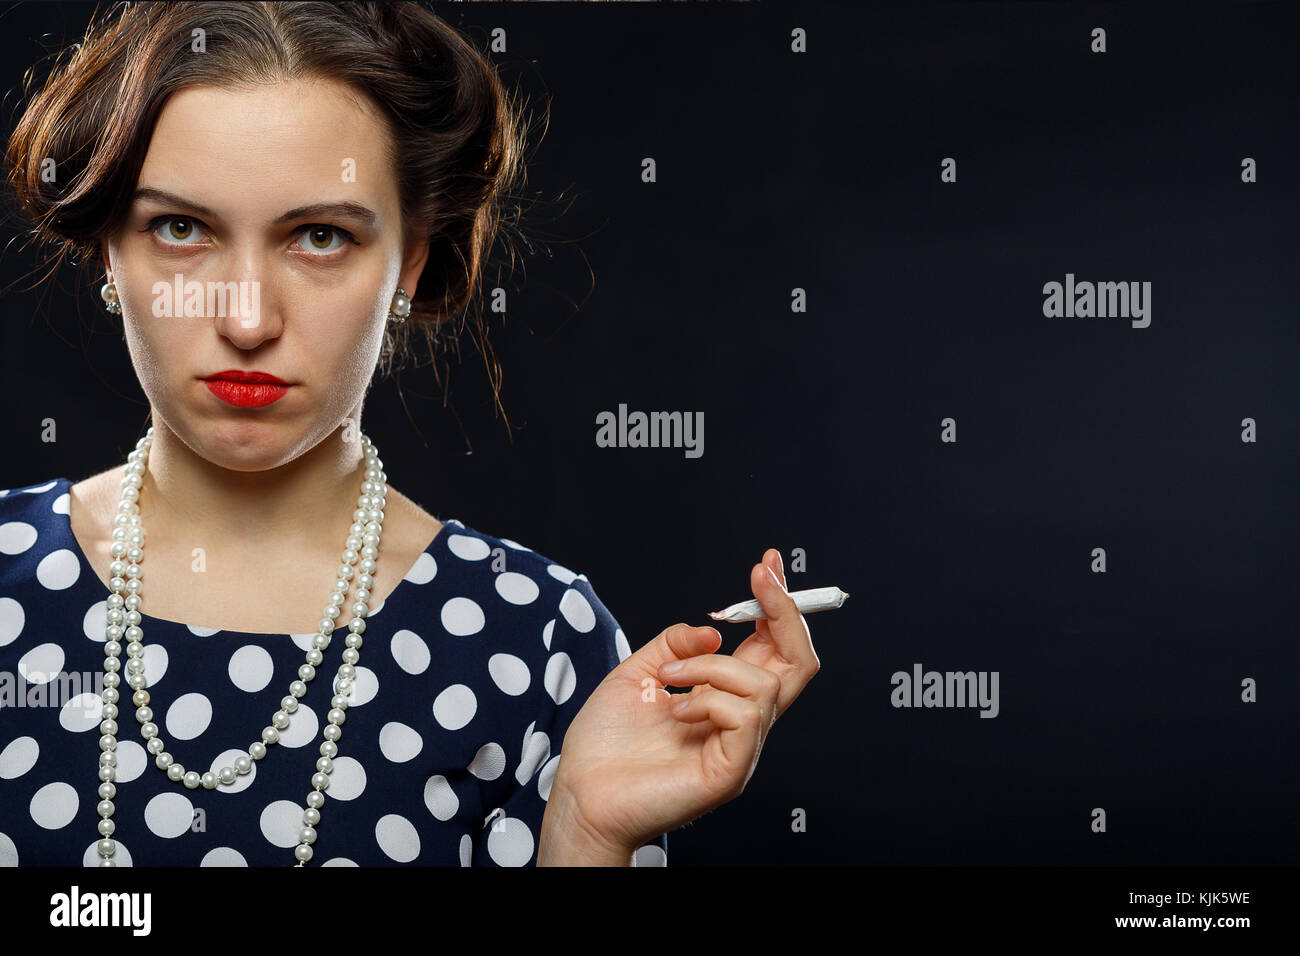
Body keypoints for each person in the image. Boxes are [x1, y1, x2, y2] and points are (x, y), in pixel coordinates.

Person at [0, 0, 819, 867]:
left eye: (319, 236)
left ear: (412, 260)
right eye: (180, 228)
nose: (245, 318)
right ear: (106, 251)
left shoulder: (538, 638)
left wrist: (587, 835)